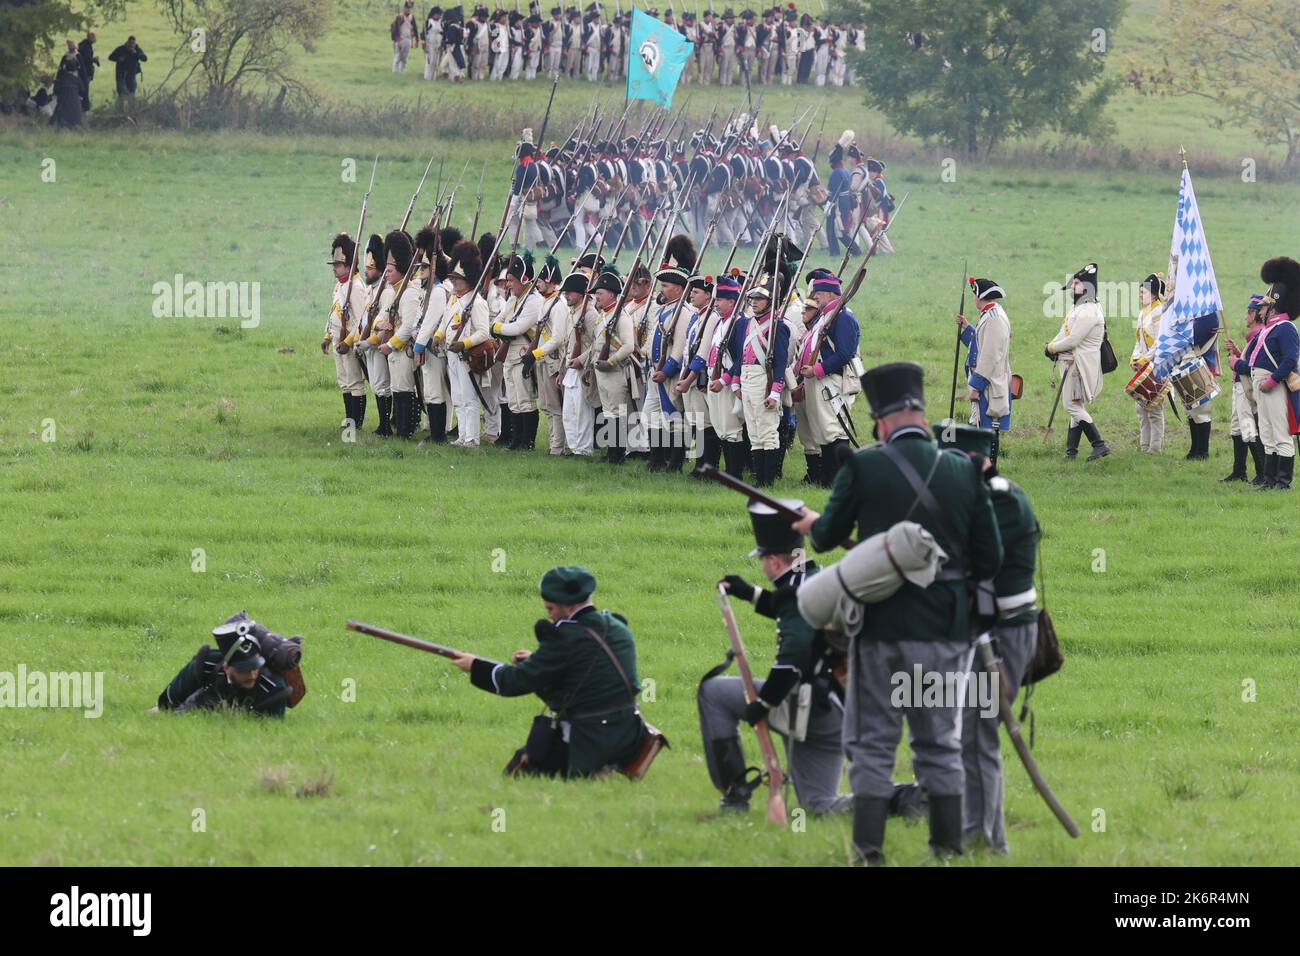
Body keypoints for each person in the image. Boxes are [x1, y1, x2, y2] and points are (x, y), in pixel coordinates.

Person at [792, 361, 1003, 864]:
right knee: (939, 744)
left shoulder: (864, 466)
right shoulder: (962, 469)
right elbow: (990, 557)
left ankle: (869, 854)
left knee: (871, 745)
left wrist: (814, 523)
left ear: (881, 421)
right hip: (945, 632)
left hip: (881, 627)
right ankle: (947, 851)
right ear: (921, 415)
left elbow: (824, 537)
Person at [705, 500, 851, 815]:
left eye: (762, 560)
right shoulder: (813, 578)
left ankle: (735, 795)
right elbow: (786, 606)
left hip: (806, 708)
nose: (761, 567)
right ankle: (904, 799)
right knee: (820, 806)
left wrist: (764, 703)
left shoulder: (798, 594)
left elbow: (794, 654)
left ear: (772, 561)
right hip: (837, 713)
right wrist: (749, 593)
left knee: (712, 693)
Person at [933, 424, 1038, 855]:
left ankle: (988, 837)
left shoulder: (1002, 501)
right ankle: (978, 829)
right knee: (970, 731)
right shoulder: (978, 497)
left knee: (979, 732)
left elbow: (972, 557)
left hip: (1006, 630)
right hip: (980, 628)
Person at [451, 566, 651, 778]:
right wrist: (537, 661)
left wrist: (475, 666)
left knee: (518, 774)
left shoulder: (565, 638)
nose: (550, 615)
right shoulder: (617, 627)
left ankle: (593, 771)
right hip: (628, 735)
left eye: (551, 609)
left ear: (570, 605)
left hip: (588, 738)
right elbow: (586, 668)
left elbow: (514, 681)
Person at [154, 613, 303, 718]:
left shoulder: (274, 687)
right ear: (226, 668)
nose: (252, 674)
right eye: (243, 669)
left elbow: (271, 732)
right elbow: (164, 707)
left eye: (255, 667)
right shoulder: (203, 665)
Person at [795, 268, 861, 487]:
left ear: (832, 294)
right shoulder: (827, 317)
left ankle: (837, 479)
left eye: (820, 293)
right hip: (820, 381)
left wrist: (818, 370)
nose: (816, 297)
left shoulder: (843, 317)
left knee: (834, 430)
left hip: (832, 380)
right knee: (823, 431)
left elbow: (845, 354)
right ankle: (828, 478)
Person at [1238, 257, 1300, 490]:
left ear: (1274, 305)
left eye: (1263, 306)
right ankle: (1270, 480)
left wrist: (1272, 381)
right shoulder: (1269, 329)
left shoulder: (1285, 328)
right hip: (1261, 384)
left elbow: (1290, 360)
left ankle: (1283, 482)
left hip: (1274, 386)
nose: (1260, 310)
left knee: (1280, 433)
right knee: (1266, 433)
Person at [724, 275, 789, 486]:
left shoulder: (778, 326)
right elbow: (738, 355)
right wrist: (735, 381)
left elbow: (780, 362)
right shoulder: (744, 324)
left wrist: (775, 391)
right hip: (746, 377)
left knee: (768, 429)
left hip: (764, 379)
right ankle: (759, 478)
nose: (754, 301)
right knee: (753, 429)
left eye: (760, 298)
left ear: (770, 302)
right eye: (752, 297)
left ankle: (767, 481)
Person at [1045, 262, 1109, 461]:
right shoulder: (1080, 308)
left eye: (1077, 283)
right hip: (1071, 362)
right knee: (1076, 407)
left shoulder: (1089, 310)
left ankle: (1099, 444)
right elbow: (1065, 331)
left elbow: (1073, 339)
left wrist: (1051, 348)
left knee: (1072, 407)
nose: (1073, 287)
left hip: (1078, 365)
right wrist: (1052, 345)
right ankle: (1071, 453)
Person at [439, 240, 492, 448]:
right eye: (453, 277)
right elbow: (445, 322)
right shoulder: (455, 300)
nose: (454, 281)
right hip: (452, 354)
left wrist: (464, 344)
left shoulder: (477, 302)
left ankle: (472, 438)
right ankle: (462, 435)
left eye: (458, 278)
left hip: (467, 355)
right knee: (458, 396)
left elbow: (484, 332)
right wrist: (437, 336)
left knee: (469, 398)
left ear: (468, 279)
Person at [954, 276, 1012, 465]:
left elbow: (989, 356)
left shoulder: (994, 319)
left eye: (974, 294)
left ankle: (987, 471)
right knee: (978, 426)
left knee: (986, 429)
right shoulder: (991, 314)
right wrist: (967, 328)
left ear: (979, 296)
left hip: (989, 383)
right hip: (987, 380)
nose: (973, 298)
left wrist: (976, 386)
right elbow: (981, 344)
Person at [322, 233, 369, 431]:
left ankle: (356, 422)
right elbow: (334, 311)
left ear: (349, 266)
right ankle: (349, 418)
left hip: (349, 342)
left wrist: (348, 342)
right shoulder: (339, 285)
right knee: (344, 381)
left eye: (338, 265)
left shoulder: (356, 287)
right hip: (337, 340)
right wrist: (327, 336)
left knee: (354, 381)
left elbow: (360, 321)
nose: (334, 268)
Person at [1222, 294, 1267, 483]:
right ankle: (1239, 471)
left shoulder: (1260, 335)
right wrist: (1239, 352)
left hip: (1246, 387)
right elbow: (1249, 360)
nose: (1245, 316)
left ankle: (1261, 473)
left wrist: (1235, 362)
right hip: (1239, 386)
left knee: (1248, 428)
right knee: (1237, 428)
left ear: (1257, 314)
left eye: (1249, 312)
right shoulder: (1253, 336)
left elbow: (1253, 367)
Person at [1131, 273, 1166, 453]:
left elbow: (1161, 341)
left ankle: (1155, 448)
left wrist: (1147, 358)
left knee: (1154, 408)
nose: (1140, 295)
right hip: (1143, 364)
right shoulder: (1142, 312)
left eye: (1143, 292)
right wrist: (1135, 357)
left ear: (1153, 294)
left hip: (1157, 364)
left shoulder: (1160, 311)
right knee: (1141, 407)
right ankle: (1144, 446)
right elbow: (1139, 340)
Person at [52, 54, 84, 128]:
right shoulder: (76, 79)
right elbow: (83, 90)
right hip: (75, 105)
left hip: (63, 105)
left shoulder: (61, 79)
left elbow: (56, 91)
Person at [392, 1, 419, 72]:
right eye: (407, 8)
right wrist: (398, 41)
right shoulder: (400, 17)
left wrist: (417, 40)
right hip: (400, 39)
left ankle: (402, 71)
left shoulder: (412, 17)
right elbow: (396, 30)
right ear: (404, 8)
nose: (408, 10)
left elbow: (415, 29)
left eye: (410, 8)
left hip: (408, 39)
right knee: (398, 56)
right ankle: (395, 71)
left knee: (405, 58)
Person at [77, 32, 99, 111]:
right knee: (85, 90)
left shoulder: (84, 45)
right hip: (85, 71)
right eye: (93, 37)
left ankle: (83, 106)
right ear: (90, 38)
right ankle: (85, 107)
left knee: (83, 89)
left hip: (83, 71)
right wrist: (93, 59)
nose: (95, 39)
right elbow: (86, 59)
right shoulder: (86, 46)